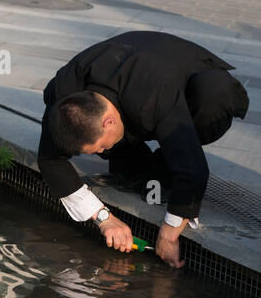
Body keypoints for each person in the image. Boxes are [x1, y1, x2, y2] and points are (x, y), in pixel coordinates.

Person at [37, 31, 249, 268]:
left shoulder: (155, 96)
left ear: (108, 121)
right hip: (131, 81)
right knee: (133, 172)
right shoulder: (64, 95)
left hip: (185, 75)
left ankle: (164, 161)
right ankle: (136, 165)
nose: (100, 153)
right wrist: (105, 219)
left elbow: (194, 170)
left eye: (101, 147)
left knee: (213, 96)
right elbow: (50, 160)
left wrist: (169, 234)